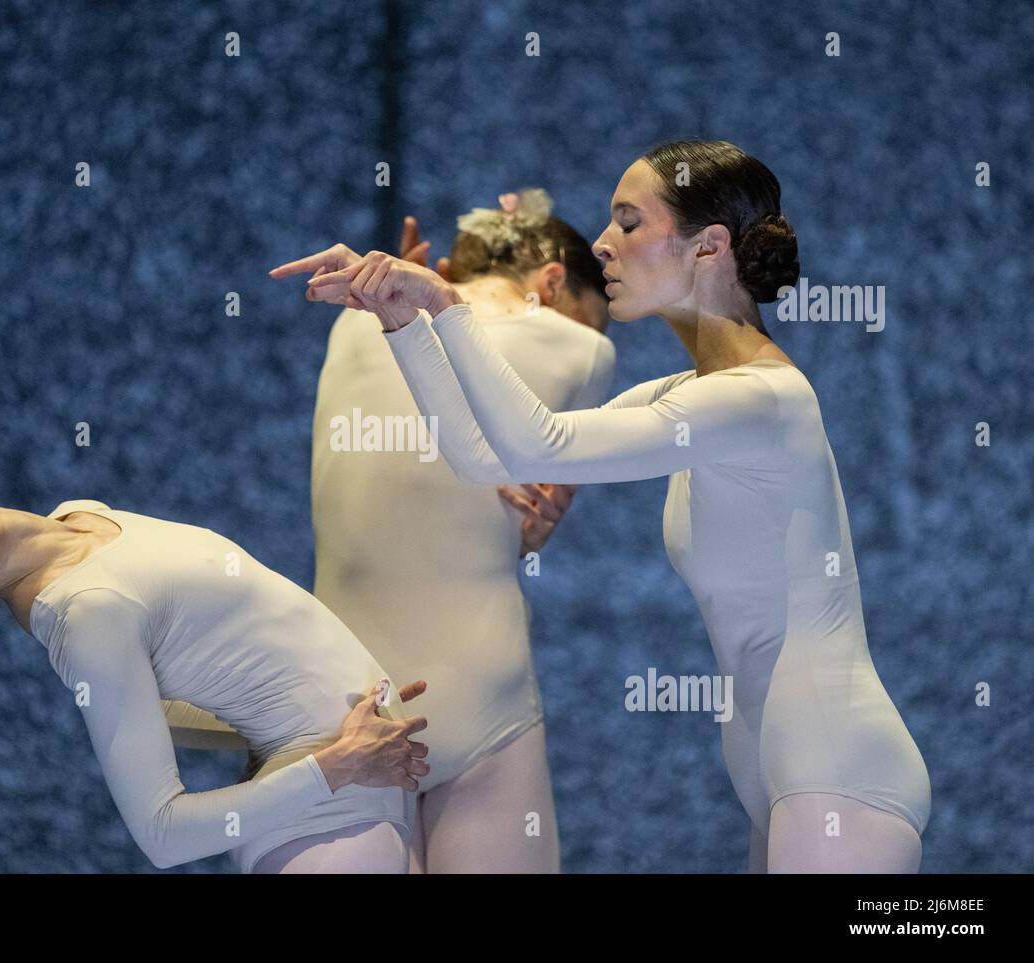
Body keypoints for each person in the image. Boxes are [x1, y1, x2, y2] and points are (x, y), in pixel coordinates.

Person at [278, 139, 932, 873]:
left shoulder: (763, 398)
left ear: (709, 246)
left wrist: (445, 303)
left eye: (628, 222)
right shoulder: (690, 394)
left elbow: (538, 441)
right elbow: (486, 457)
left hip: (838, 765)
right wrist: (404, 321)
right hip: (780, 767)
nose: (601, 243)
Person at [0, 487, 430, 873]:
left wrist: (330, 697)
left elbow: (181, 696)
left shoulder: (80, 515)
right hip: (329, 826)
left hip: (365, 778)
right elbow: (163, 834)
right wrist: (336, 764)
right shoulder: (82, 616)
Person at [304, 191, 615, 872]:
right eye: (592, 313)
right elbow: (533, 505)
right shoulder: (585, 350)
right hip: (483, 697)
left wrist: (388, 293)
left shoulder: (350, 325)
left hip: (341, 708)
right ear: (552, 282)